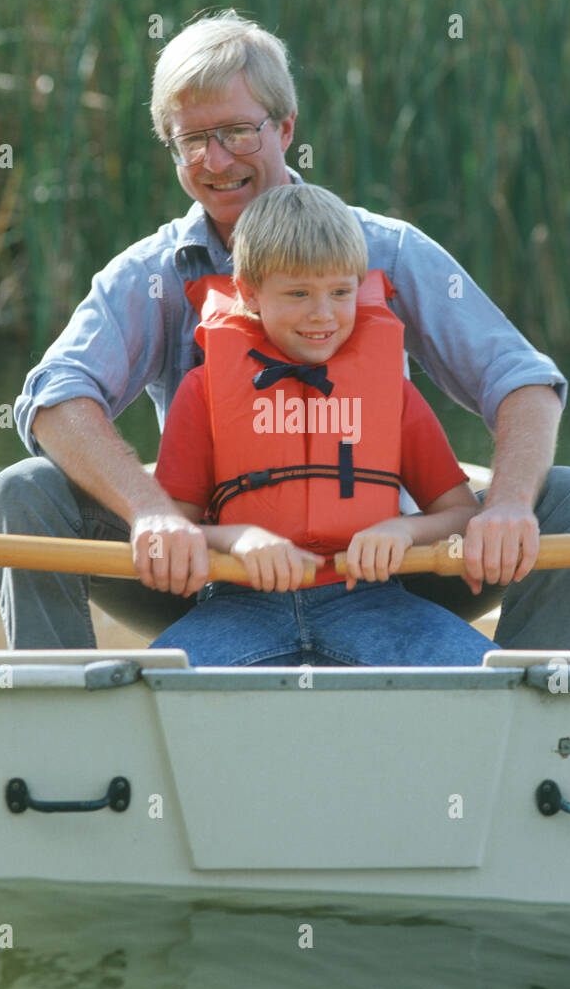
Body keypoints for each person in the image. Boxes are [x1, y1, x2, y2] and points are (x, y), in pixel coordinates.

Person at [0, 10, 570, 650]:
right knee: (26, 493)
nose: (216, 160)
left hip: (392, 571)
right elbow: (54, 397)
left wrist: (507, 503)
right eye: (191, 140)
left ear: (286, 128)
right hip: (212, 571)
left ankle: (532, 710)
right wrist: (153, 515)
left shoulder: (387, 250)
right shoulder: (153, 273)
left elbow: (523, 382)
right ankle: (60, 707)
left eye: (237, 131)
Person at [147, 183, 499, 667]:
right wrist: (240, 537)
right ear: (249, 291)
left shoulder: (392, 391)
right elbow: (173, 530)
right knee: (136, 692)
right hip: (239, 607)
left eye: (340, 292)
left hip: (374, 603)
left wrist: (403, 530)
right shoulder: (201, 391)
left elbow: (461, 514)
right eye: (298, 293)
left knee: (503, 681)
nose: (323, 314)